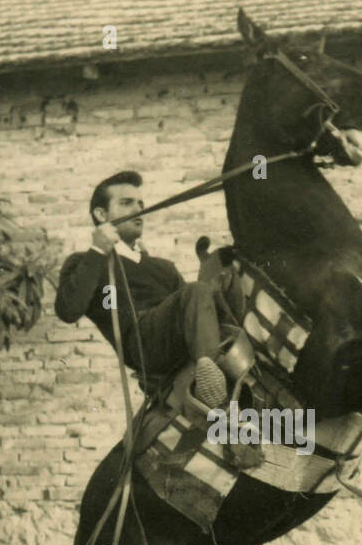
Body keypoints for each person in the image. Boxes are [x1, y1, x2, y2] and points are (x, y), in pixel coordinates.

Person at [55, 171, 256, 464]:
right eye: (126, 203)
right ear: (101, 214)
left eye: (140, 203)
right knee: (196, 291)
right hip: (142, 344)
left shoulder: (162, 266)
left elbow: (194, 310)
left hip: (177, 340)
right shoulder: (87, 262)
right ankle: (215, 396)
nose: (139, 210)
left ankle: (247, 371)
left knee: (222, 285)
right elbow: (68, 310)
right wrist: (99, 249)